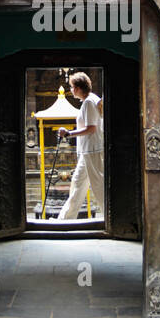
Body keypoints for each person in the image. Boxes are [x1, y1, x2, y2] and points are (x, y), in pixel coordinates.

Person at [55, 71, 104, 221]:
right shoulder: (90, 100)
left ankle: (112, 215)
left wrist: (69, 134)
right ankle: (64, 220)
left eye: (71, 87)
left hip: (93, 150)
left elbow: (91, 128)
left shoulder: (89, 102)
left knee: (98, 186)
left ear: (77, 87)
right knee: (77, 185)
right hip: (87, 151)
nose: (70, 90)